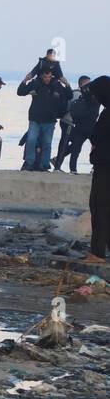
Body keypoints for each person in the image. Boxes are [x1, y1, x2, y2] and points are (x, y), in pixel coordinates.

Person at [16, 68, 72, 171]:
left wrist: (67, 84)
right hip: (35, 119)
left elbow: (69, 96)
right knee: (31, 140)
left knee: (47, 143)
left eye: (49, 77)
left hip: (50, 120)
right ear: (41, 76)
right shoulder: (36, 83)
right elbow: (20, 92)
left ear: (52, 76)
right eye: (45, 77)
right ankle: (29, 163)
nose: (47, 79)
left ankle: (45, 165)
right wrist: (25, 80)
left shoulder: (56, 85)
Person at [85, 76, 110, 263]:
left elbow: (95, 135)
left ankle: (97, 253)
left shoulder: (107, 113)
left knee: (99, 206)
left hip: (105, 166)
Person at [56, 76, 99, 174]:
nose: (90, 85)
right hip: (81, 124)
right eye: (87, 83)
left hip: (93, 124)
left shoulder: (96, 94)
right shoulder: (82, 94)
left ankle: (95, 168)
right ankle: (73, 169)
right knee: (76, 147)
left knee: (97, 146)